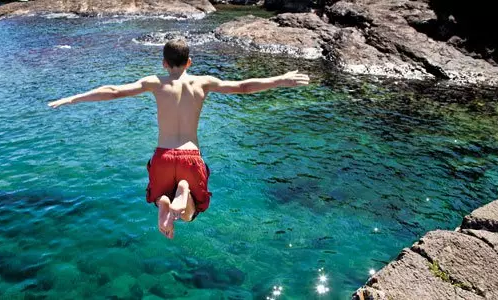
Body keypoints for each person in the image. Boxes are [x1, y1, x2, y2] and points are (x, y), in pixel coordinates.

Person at [48, 39, 309, 239]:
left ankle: (164, 201)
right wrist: (281, 80)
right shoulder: (202, 83)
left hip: (162, 157)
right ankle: (182, 193)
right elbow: (243, 87)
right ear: (189, 62)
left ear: (164, 62)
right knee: (193, 213)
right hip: (190, 157)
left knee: (160, 193)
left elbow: (114, 91)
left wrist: (73, 98)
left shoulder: (154, 82)